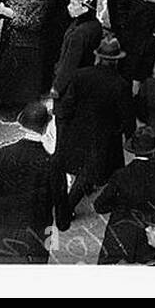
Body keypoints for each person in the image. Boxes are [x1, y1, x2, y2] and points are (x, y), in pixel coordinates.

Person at [0, 101, 71, 263]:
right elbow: (60, 204)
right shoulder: (52, 163)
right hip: (35, 238)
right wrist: (62, 222)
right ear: (46, 126)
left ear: (22, 122)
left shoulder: (2, 153)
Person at [55, 35, 135, 213]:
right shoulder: (120, 84)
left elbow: (68, 103)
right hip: (103, 136)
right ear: (116, 60)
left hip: (78, 129)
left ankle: (73, 197)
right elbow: (127, 115)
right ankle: (66, 208)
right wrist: (130, 135)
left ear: (99, 57)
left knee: (79, 166)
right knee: (90, 171)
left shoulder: (80, 75)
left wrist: (66, 124)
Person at [94, 126, 155, 264]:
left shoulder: (120, 175)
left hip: (121, 232)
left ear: (133, 151)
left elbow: (99, 206)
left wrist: (120, 204)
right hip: (150, 235)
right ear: (154, 152)